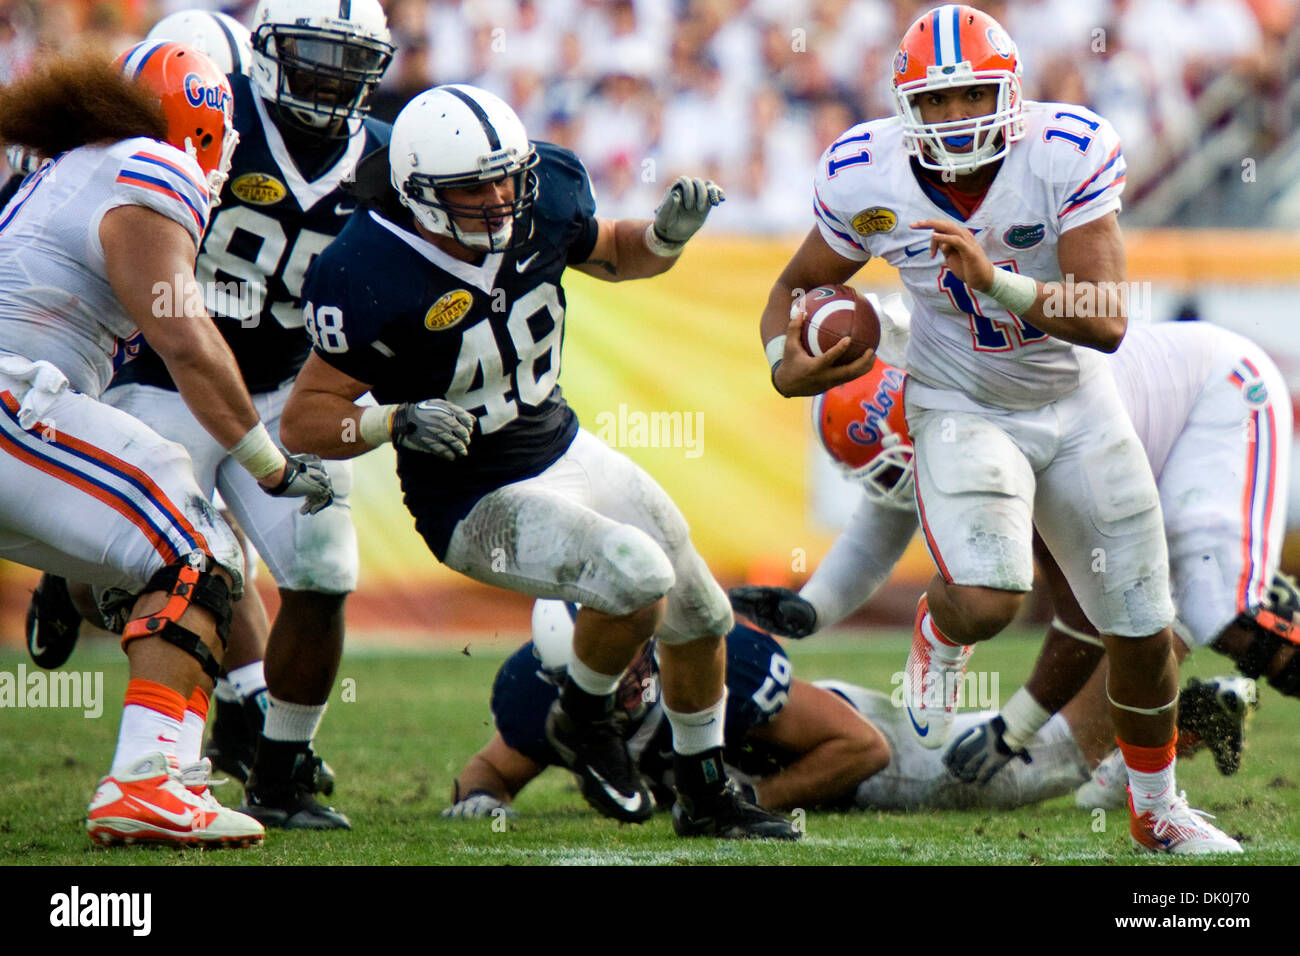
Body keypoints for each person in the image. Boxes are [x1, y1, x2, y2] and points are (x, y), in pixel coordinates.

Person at [758, 3, 1240, 854]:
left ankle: (1157, 807)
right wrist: (780, 360)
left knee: (1140, 623)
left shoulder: (1065, 153)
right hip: (960, 399)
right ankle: (940, 636)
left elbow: (1105, 319)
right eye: (935, 102)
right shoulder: (867, 177)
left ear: (1011, 94)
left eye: (972, 96)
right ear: (906, 107)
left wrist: (997, 281)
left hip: (1078, 398)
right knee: (986, 598)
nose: (955, 118)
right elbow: (797, 284)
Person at [280, 83, 798, 840]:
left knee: (700, 613)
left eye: (505, 178)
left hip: (560, 443)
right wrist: (393, 421)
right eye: (472, 187)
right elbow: (305, 418)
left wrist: (664, 237)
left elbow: (617, 254)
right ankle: (584, 715)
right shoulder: (367, 266)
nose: (497, 198)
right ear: (419, 191)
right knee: (637, 576)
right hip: (469, 497)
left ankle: (706, 792)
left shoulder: (545, 192)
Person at [26, 0, 394, 831]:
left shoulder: (381, 158)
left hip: (282, 385)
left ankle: (279, 764)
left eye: (348, 60)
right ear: (262, 52)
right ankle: (71, 573)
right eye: (311, 54)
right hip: (168, 372)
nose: (330, 79)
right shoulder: (211, 115)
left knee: (325, 571)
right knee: (147, 567)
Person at [735, 319, 1287, 810]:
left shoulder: (1014, 435)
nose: (898, 490)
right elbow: (880, 525)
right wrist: (811, 609)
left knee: (1214, 608)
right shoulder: (947, 406)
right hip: (1138, 437)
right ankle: (1144, 741)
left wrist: (1013, 728)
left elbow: (1085, 619)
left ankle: (1143, 742)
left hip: (1221, 396)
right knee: (1154, 604)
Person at [444, 600, 1104, 817]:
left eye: (613, 662)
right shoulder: (538, 697)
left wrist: (754, 795)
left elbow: (863, 747)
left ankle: (1154, 699)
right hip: (818, 760)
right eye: (587, 671)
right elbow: (491, 772)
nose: (607, 682)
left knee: (1033, 766)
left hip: (863, 765)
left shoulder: (709, 661)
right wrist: (481, 801)